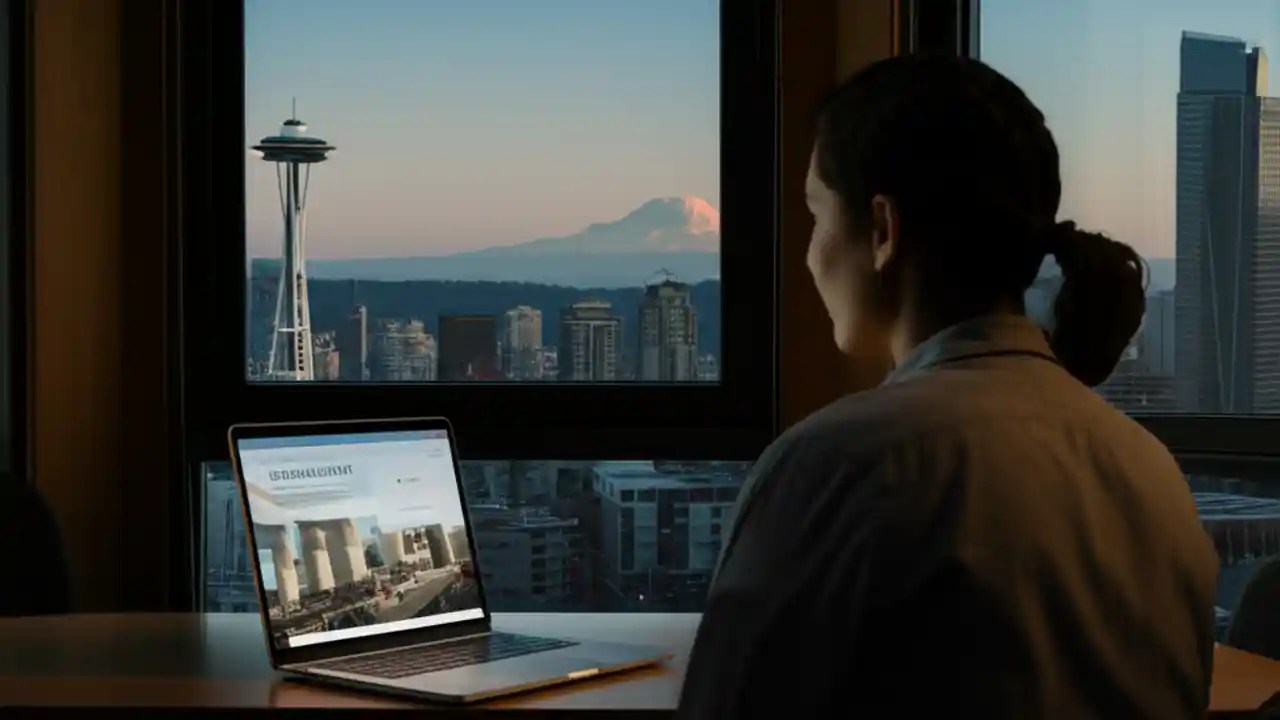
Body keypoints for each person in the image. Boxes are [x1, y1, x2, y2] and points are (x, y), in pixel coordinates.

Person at [677, 55, 1217, 719]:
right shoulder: (1149, 469)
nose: (810, 252)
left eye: (817, 215)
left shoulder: (838, 464)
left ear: (881, 231)